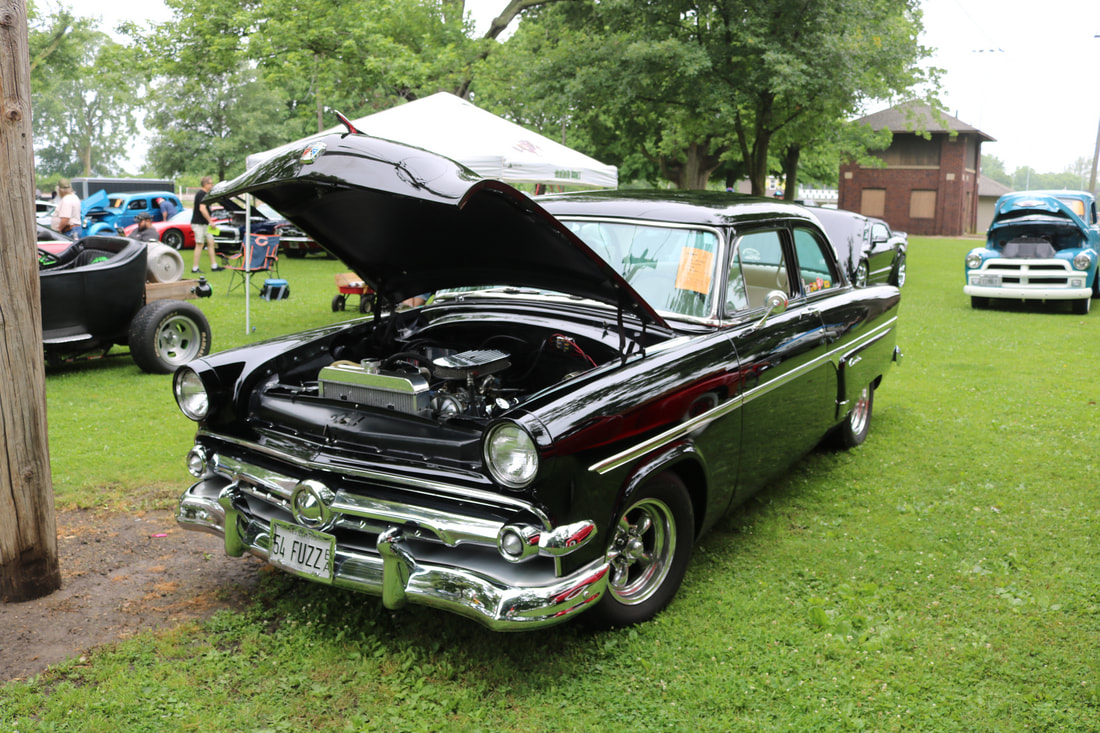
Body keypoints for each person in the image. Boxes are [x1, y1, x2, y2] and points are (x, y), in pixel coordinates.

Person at [190, 176, 220, 273]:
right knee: (200, 244)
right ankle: (195, 268)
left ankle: (214, 266)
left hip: (205, 224)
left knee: (211, 242)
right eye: (210, 183)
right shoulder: (201, 194)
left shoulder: (206, 194)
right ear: (205, 184)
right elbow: (202, 208)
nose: (212, 185)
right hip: (199, 224)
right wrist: (211, 221)